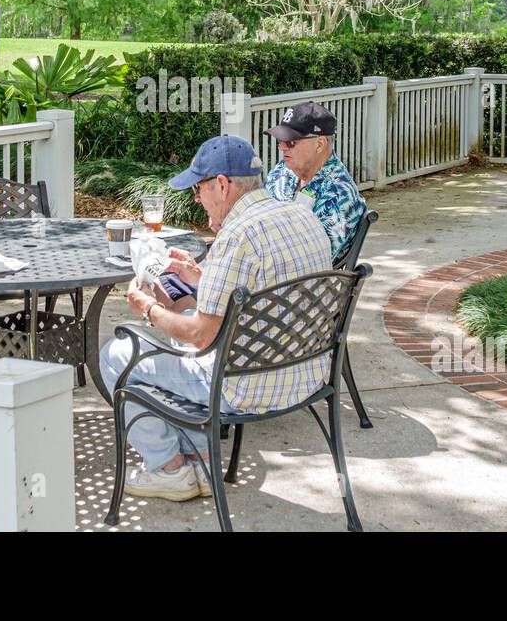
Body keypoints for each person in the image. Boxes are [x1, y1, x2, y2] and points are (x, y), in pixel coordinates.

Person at [99, 134, 332, 503]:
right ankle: (203, 459)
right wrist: (199, 280)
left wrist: (147, 308)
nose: (196, 197)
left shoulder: (237, 236)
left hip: (247, 388)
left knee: (118, 353)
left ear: (221, 185)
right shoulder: (302, 216)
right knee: (181, 319)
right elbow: (266, 293)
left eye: (198, 188)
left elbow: (200, 336)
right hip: (306, 374)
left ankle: (168, 468)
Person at [263, 100, 366, 262]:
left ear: (319, 144)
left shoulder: (339, 193)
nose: (281, 147)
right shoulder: (282, 171)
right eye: (280, 140)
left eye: (290, 141)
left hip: (296, 282)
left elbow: (314, 258)